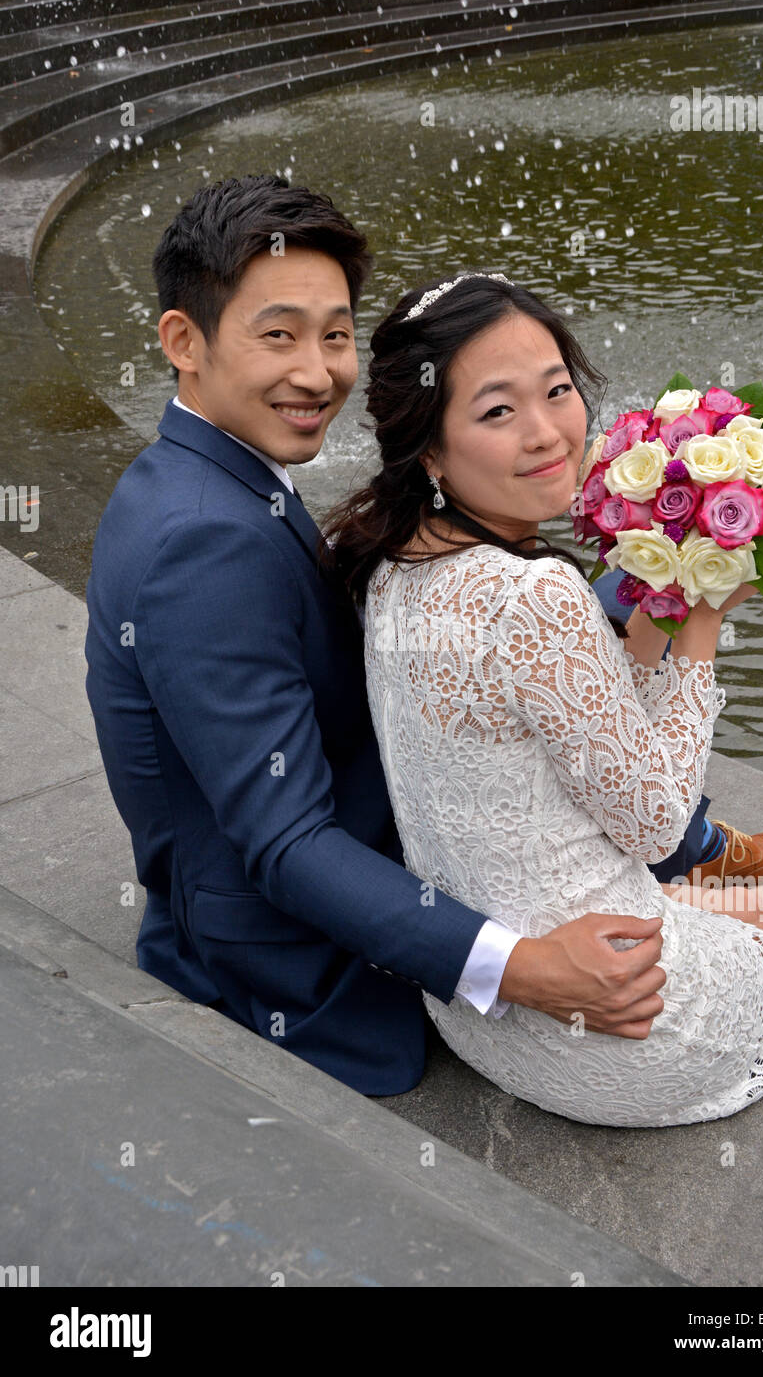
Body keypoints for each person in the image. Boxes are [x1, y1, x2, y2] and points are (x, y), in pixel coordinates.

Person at [85, 176, 669, 1100]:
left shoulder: (203, 475)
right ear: (182, 342)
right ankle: (697, 850)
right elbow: (284, 844)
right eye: (277, 335)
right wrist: (521, 970)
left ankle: (695, 843)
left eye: (334, 333)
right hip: (294, 970)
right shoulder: (200, 542)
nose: (318, 373)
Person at [323, 270, 763, 1125]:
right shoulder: (532, 595)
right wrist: (706, 613)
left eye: (557, 391)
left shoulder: (395, 565)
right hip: (628, 1021)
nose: (545, 434)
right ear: (428, 446)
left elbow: (595, 731)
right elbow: (650, 823)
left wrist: (659, 585)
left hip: (486, 1006)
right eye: (497, 411)